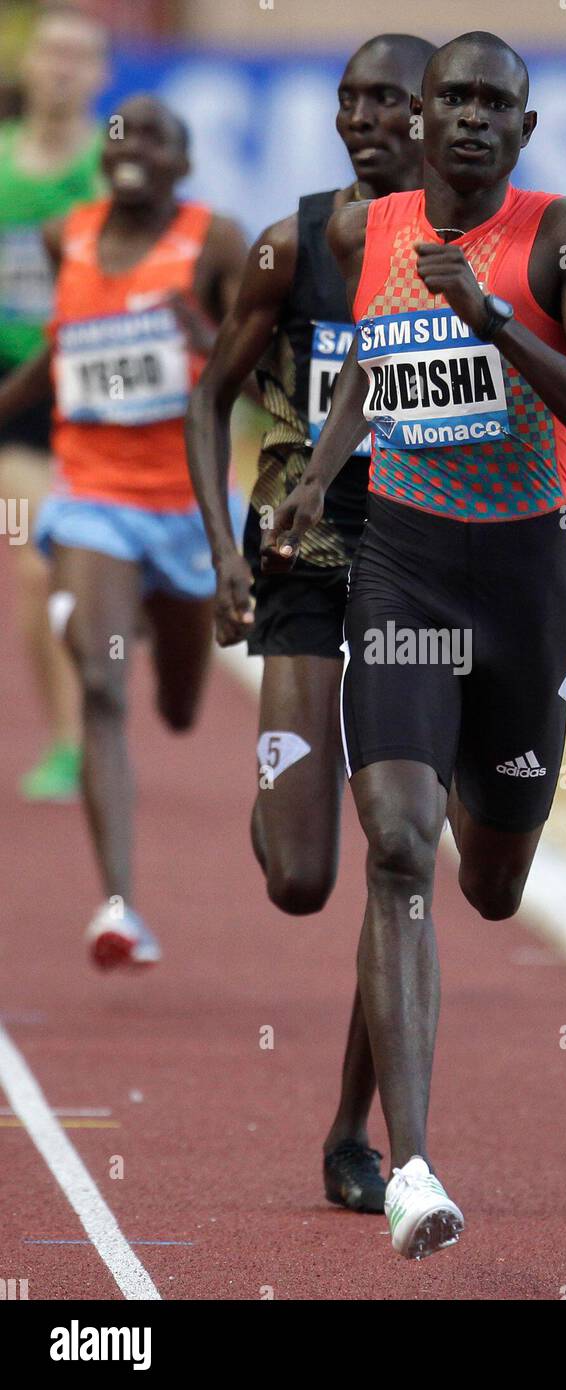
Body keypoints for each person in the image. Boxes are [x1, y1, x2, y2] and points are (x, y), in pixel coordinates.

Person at [264, 31, 566, 1259]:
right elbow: (370, 374)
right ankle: (409, 1163)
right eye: (456, 101)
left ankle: (362, 1120)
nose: (474, 119)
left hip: (524, 584)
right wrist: (321, 480)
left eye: (499, 103)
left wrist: (495, 323)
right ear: (421, 120)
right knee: (393, 847)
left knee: (486, 888)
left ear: (524, 131)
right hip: (407, 573)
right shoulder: (360, 237)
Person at [186, 34, 435, 1217]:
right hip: (300, 555)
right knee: (299, 878)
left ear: (433, 114)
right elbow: (208, 395)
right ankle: (278, 795)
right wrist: (224, 552)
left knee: (402, 850)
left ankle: (352, 1131)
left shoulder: (462, 253)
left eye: (387, 98)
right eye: (347, 99)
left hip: (422, 562)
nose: (361, 117)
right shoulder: (296, 244)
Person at [0, 94, 249, 967]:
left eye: (157, 138)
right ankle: (118, 907)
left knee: (178, 707)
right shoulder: (66, 236)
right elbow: (61, 346)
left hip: (187, 509)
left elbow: (258, 377)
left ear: (183, 164)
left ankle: (152, 627)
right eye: (122, 135)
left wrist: (208, 338)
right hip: (95, 499)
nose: (134, 147)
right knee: (103, 689)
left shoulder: (216, 240)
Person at [0, 2, 107, 801]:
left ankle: (81, 729)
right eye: (52, 53)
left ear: (98, 75)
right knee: (38, 562)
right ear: (29, 66)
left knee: (63, 568)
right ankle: (73, 743)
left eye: (79, 56)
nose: (63, 67)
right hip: (12, 396)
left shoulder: (117, 170)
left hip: (90, 391)